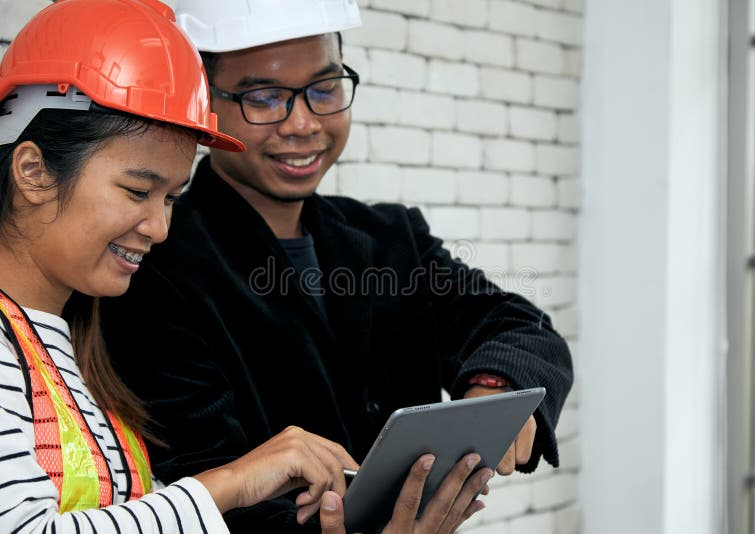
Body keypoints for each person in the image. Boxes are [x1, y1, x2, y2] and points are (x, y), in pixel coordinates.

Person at [0, 1, 491, 532]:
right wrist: (232, 483)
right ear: (33, 171)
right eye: (138, 190)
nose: (160, 229)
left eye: (170, 197)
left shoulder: (70, 336)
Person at [100, 0, 575, 531]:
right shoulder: (153, 264)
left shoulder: (393, 238)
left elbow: (520, 326)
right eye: (264, 97)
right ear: (205, 102)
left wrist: (497, 387)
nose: (302, 124)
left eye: (324, 89)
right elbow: (200, 483)